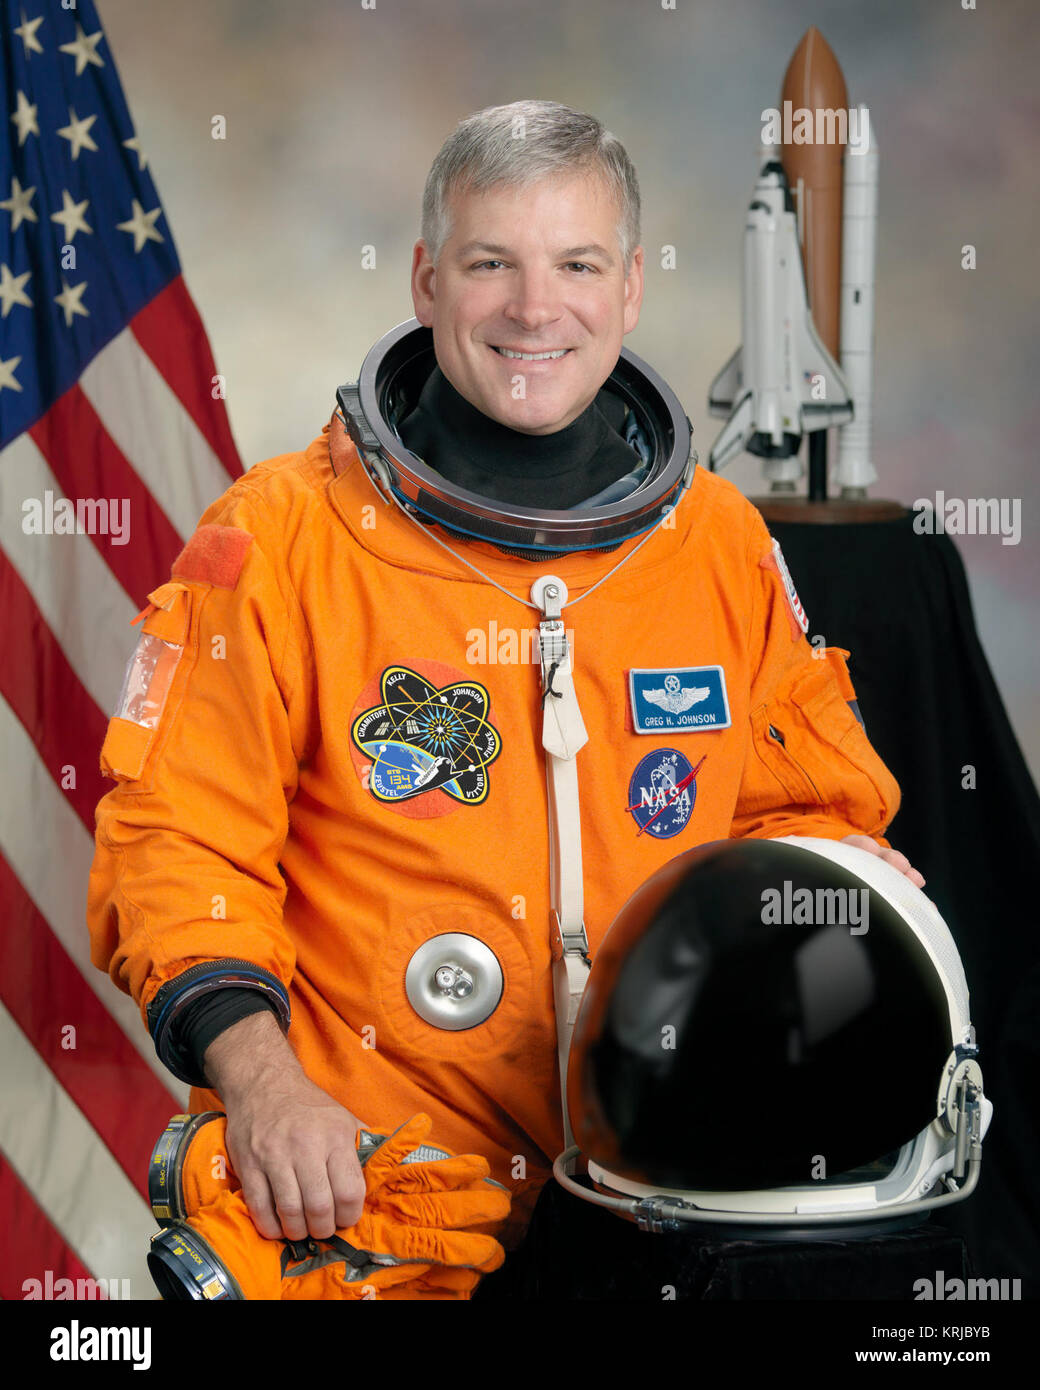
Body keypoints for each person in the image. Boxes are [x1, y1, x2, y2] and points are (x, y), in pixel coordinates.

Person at [87, 99, 923, 1296]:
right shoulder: (276, 542)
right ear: (428, 280)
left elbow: (803, 817)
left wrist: (835, 884)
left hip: (666, 1188)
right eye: (492, 264)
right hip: (378, 1193)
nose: (536, 310)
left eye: (575, 264)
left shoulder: (713, 544)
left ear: (628, 288)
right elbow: (176, 839)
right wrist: (263, 1086)